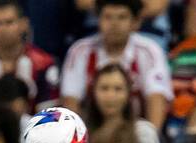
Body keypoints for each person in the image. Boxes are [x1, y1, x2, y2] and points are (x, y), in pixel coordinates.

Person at [61, 0, 172, 129]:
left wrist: (151, 137)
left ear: (136, 22)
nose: (114, 24)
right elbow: (70, 101)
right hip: (90, 133)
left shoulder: (149, 51)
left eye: (122, 17)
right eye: (108, 17)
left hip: (136, 133)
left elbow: (156, 99)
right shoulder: (79, 51)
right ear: (98, 20)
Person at [77, 63, 163, 143]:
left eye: (118, 89)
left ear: (128, 94)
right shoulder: (79, 133)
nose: (111, 96)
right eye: (104, 88)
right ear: (93, 93)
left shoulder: (143, 132)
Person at [0, 0, 59, 112]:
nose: (2, 29)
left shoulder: (44, 64)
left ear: (24, 24)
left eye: (9, 22)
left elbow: (49, 114)